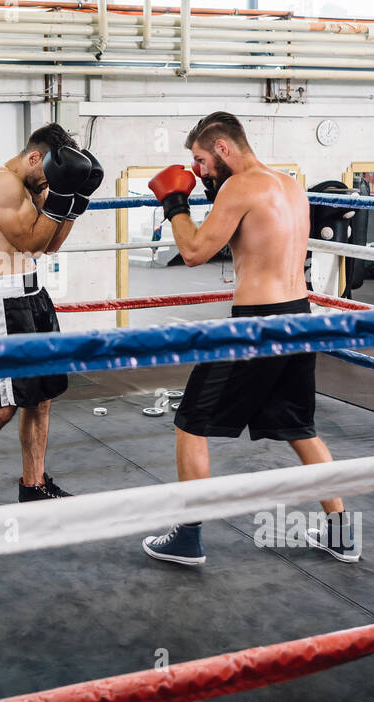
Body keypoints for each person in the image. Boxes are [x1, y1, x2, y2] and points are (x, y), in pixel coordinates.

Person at [141, 111, 356, 565]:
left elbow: (194, 251)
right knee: (300, 427)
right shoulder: (291, 185)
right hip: (299, 318)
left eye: (200, 159)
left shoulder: (239, 186)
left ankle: (187, 535)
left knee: (189, 422)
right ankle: (341, 531)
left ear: (222, 148)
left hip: (257, 324)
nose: (198, 170)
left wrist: (175, 203)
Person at [0, 123, 104, 513]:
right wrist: (60, 196)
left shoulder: (30, 187)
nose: (47, 184)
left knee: (40, 399)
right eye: (46, 175)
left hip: (32, 297)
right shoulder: (0, 182)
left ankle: (34, 483)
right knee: (1, 406)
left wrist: (75, 199)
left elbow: (49, 244)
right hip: (2, 303)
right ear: (33, 157)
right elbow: (29, 240)